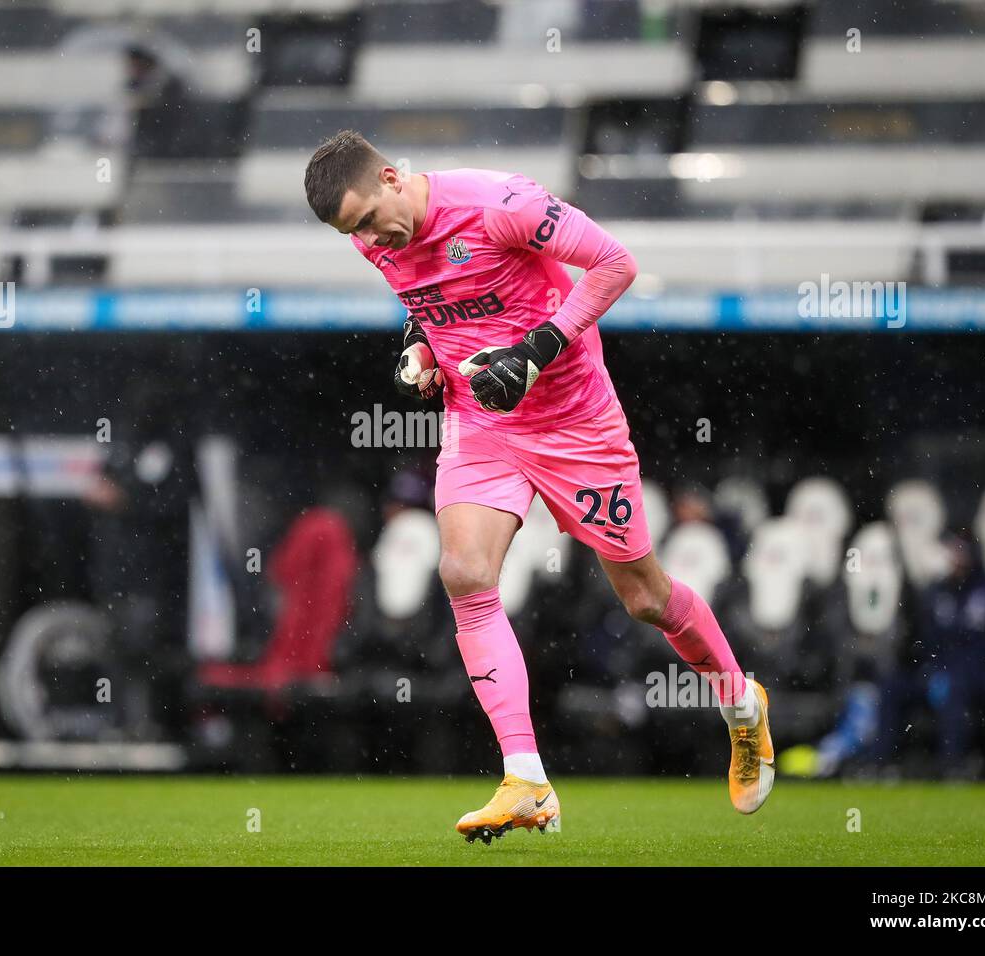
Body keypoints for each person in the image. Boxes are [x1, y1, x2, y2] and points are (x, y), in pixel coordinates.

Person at [303, 130, 774, 842]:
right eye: (353, 233)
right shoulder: (375, 237)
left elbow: (615, 265)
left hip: (576, 422)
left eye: (367, 220)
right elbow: (432, 303)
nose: (369, 239)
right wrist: (417, 352)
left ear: (393, 178)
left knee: (644, 597)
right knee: (464, 572)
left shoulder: (501, 204)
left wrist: (537, 350)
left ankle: (741, 705)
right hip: (483, 423)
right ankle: (526, 781)